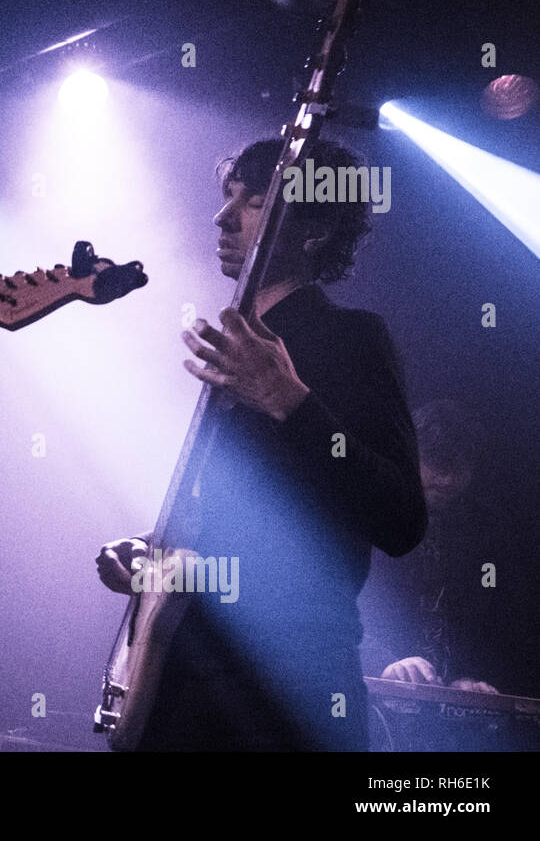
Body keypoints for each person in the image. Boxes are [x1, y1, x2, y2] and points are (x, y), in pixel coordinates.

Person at [96, 138, 427, 750]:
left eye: (252, 203)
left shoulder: (348, 339)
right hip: (182, 688)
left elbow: (402, 518)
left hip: (284, 696)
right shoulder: (237, 347)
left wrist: (288, 400)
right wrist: (156, 553)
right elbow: (235, 529)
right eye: (228, 199)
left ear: (314, 228)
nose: (223, 218)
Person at [361, 400, 537, 699]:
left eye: (457, 467)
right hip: (375, 688)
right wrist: (384, 661)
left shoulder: (486, 533)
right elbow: (332, 604)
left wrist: (469, 676)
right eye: (436, 463)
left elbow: (498, 621)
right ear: (411, 454)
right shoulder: (367, 515)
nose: (446, 478)